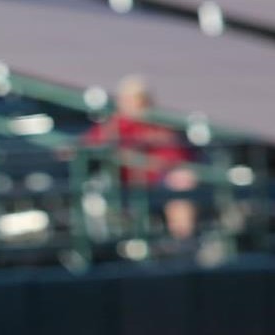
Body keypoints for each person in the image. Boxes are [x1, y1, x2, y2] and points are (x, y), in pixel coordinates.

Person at [81, 75, 197, 242]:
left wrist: (144, 161)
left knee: (182, 181)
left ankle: (183, 242)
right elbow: (84, 148)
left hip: (157, 182)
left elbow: (175, 159)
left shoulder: (160, 125)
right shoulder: (112, 127)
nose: (135, 105)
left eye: (140, 100)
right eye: (129, 99)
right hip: (122, 186)